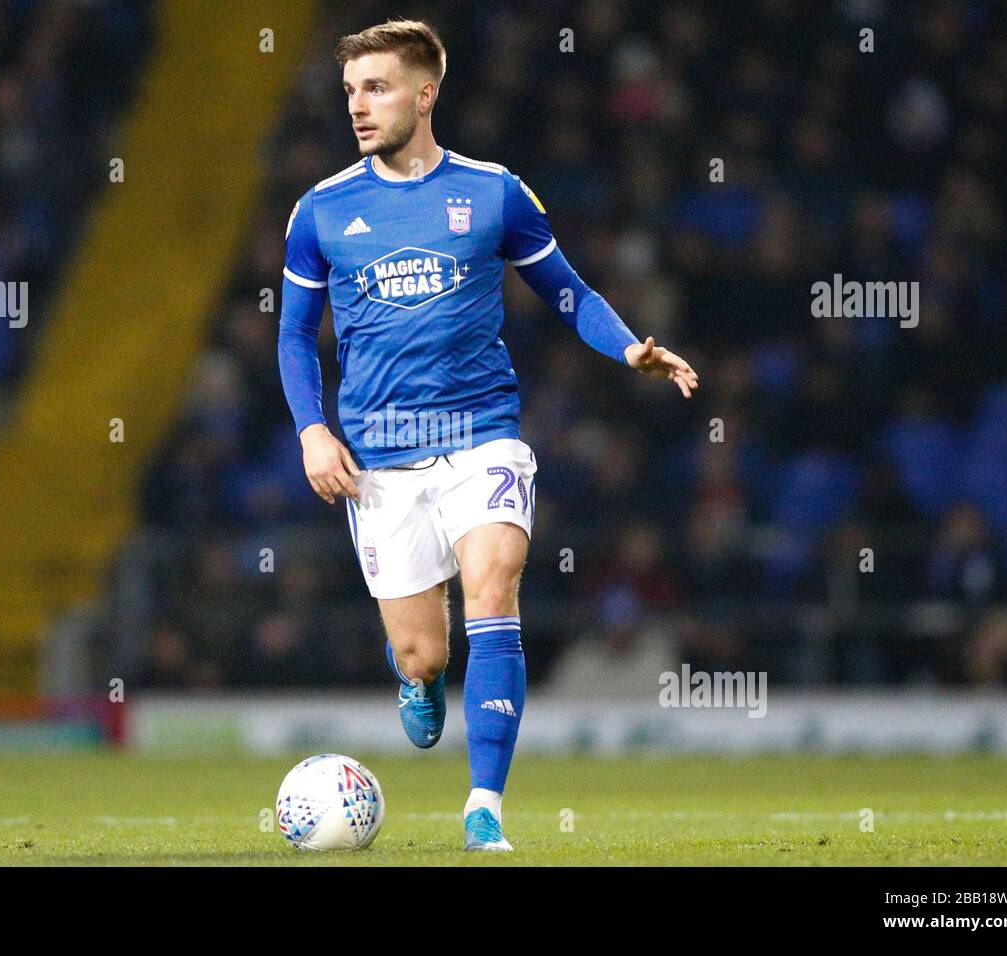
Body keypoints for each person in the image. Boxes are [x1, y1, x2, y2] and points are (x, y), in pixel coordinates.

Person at [277, 19, 698, 851]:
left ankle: (484, 809)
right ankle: (420, 682)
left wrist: (629, 347)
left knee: (494, 589)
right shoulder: (321, 209)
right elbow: (294, 335)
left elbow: (568, 292)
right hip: (379, 459)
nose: (359, 106)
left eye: (378, 87)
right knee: (422, 653)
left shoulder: (495, 192)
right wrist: (312, 433)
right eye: (352, 90)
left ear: (425, 93)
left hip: (482, 436)